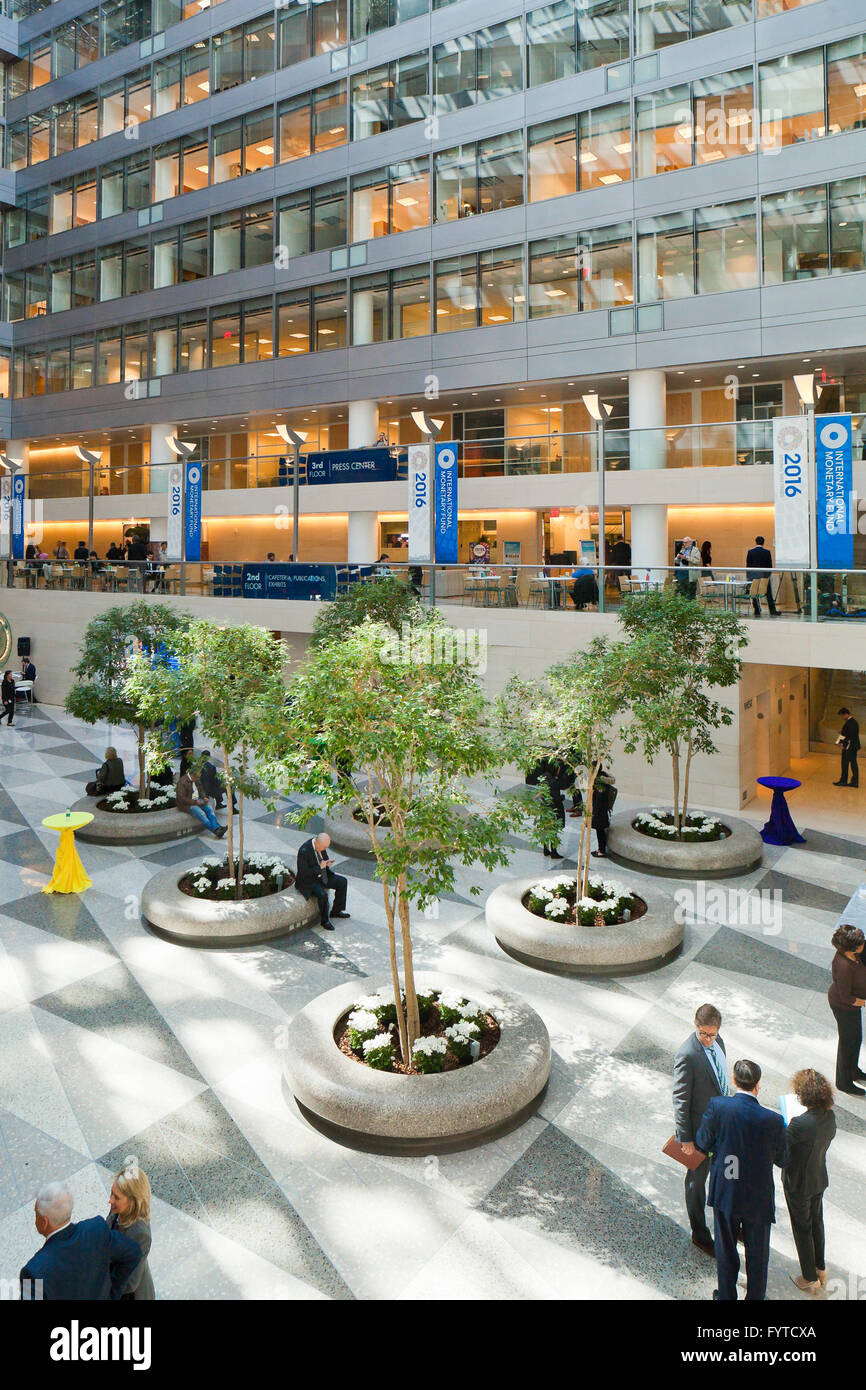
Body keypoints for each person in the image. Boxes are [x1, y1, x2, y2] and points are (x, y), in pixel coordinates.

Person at [696, 1058, 787, 1302]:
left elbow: (702, 1143)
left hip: (727, 1189)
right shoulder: (774, 1120)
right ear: (758, 1085)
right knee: (758, 1254)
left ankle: (726, 1296)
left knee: (725, 1249)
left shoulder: (718, 1106)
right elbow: (783, 1160)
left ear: (734, 1080)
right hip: (758, 1197)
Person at [20, 1181, 140, 1301]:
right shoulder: (96, 1229)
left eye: (36, 1214)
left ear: (45, 1222)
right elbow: (133, 1252)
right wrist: (112, 1294)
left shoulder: (32, 1272)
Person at [673, 1003, 729, 1257]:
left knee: (729, 1173)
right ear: (695, 1025)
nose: (707, 1039)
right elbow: (681, 1099)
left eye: (712, 1034)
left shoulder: (720, 1044)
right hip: (699, 1134)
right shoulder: (687, 1054)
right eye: (703, 1033)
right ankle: (700, 1234)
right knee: (697, 1183)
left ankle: (731, 1223)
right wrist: (685, 1139)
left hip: (721, 1127)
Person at [783, 1068, 836, 1293]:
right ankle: (819, 1267)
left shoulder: (799, 1124)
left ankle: (808, 1278)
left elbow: (781, 1154)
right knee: (816, 1222)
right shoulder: (829, 1117)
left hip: (799, 1183)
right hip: (818, 1178)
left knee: (802, 1228)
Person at [827, 922, 866, 1095]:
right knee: (847, 1042)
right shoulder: (843, 966)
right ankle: (843, 1081)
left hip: (853, 1004)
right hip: (843, 1006)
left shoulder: (855, 953)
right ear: (854, 948)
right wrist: (864, 1002)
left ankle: (853, 1070)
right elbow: (846, 997)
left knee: (856, 1038)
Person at [107, 1166, 155, 1301]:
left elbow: (129, 1282)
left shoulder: (140, 1233)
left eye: (116, 1197)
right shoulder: (118, 1210)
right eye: (112, 1193)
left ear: (133, 1201)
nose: (110, 1200)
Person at [296, 832, 349, 931]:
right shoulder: (304, 850)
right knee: (322, 895)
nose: (325, 849)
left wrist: (327, 864)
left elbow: (323, 859)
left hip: (322, 876)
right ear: (317, 843)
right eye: (324, 847)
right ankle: (325, 921)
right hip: (309, 880)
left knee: (342, 882)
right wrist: (319, 868)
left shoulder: (321, 846)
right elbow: (304, 873)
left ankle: (336, 911)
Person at [176, 768, 225, 838]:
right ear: (192, 775)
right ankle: (216, 830)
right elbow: (181, 798)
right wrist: (195, 802)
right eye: (198, 777)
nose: (199, 778)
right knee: (201, 814)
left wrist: (204, 797)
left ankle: (217, 829)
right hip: (187, 804)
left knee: (209, 809)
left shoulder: (196, 779)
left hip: (197, 800)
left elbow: (201, 790)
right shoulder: (182, 782)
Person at [745, 535, 778, 616]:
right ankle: (772, 611)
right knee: (768, 594)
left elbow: (748, 565)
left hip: (753, 577)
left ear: (755, 542)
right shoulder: (767, 552)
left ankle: (757, 610)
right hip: (764, 576)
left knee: (754, 593)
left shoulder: (750, 552)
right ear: (763, 543)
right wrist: (767, 576)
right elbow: (769, 566)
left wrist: (748, 576)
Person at [590, 766, 616, 857]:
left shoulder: (598, 781)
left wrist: (593, 814)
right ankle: (601, 849)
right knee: (601, 830)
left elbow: (598, 799)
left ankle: (601, 850)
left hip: (599, 812)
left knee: (600, 831)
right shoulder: (604, 776)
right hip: (603, 810)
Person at [834, 706, 860, 788]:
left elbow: (849, 736)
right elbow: (849, 733)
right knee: (853, 764)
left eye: (842, 716)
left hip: (849, 747)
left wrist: (841, 744)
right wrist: (842, 732)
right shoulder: (852, 722)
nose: (841, 717)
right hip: (853, 747)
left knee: (845, 764)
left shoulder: (850, 722)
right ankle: (854, 782)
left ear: (845, 714)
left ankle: (843, 781)